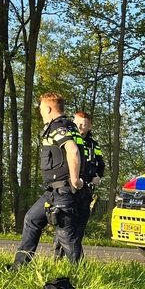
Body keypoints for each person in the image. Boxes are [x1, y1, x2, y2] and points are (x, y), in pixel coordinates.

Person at [13, 93, 84, 268]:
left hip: (64, 190)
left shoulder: (58, 127)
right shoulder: (68, 126)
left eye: (40, 107)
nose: (40, 111)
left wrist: (75, 180)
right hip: (53, 190)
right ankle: (19, 267)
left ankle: (81, 273)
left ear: (48, 108)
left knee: (66, 234)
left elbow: (72, 151)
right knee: (32, 219)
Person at [56, 110, 104, 259]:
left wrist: (97, 177)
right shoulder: (67, 139)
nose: (81, 127)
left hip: (86, 190)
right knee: (64, 224)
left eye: (85, 124)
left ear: (90, 126)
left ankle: (74, 262)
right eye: (78, 123)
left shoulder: (94, 145)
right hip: (68, 187)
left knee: (80, 225)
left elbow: (100, 165)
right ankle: (58, 260)